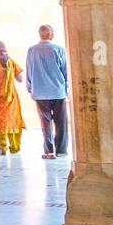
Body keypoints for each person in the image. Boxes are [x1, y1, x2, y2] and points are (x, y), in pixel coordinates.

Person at [26, 24, 70, 159]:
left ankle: (49, 151)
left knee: (45, 123)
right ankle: (61, 150)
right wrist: (66, 88)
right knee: (61, 122)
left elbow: (29, 70)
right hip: (58, 91)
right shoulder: (58, 49)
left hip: (40, 92)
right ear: (51, 35)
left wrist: (30, 87)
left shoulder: (32, 50)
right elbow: (65, 71)